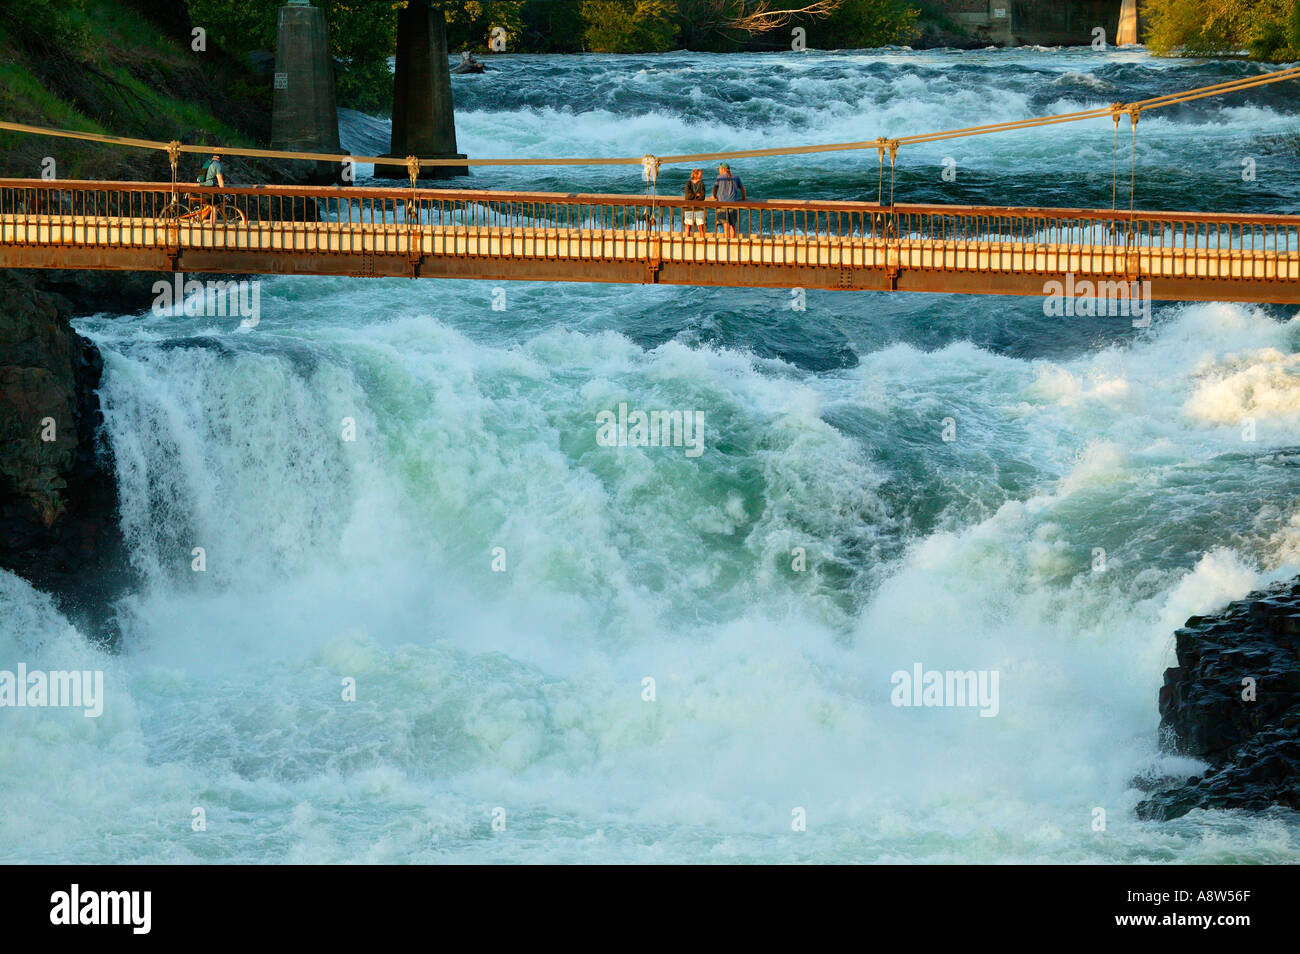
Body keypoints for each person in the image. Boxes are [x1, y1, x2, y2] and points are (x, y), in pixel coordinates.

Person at [711, 162, 746, 238]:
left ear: (723, 169)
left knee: (725, 226)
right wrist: (743, 198)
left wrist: (714, 196)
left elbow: (715, 188)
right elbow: (742, 189)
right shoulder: (736, 177)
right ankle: (732, 242)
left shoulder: (719, 177)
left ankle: (727, 243)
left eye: (719, 169)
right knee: (732, 227)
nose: (719, 170)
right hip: (733, 204)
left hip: (722, 204)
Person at [196, 152, 224, 224]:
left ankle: (199, 219)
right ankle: (212, 227)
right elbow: (220, 180)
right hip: (210, 188)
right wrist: (224, 191)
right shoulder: (217, 165)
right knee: (214, 209)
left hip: (202, 187)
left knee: (209, 206)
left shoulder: (207, 162)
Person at [683, 168, 706, 237]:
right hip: (689, 208)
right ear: (695, 174)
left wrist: (692, 196)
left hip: (699, 208)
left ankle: (702, 241)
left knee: (700, 228)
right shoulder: (688, 183)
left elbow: (702, 197)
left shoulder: (702, 184)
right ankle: (687, 241)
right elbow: (687, 196)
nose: (702, 175)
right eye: (700, 173)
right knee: (688, 227)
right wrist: (696, 195)